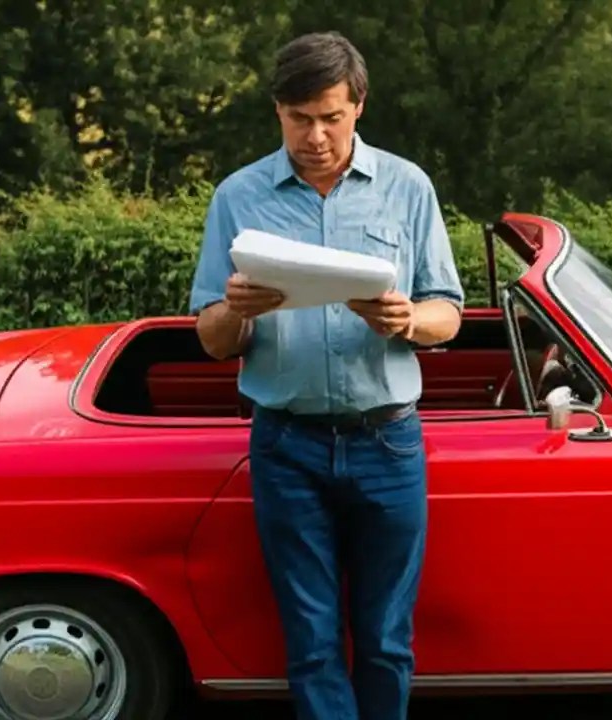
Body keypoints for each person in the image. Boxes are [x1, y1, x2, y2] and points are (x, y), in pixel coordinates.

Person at [188, 30, 464, 720]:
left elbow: (450, 316)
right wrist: (235, 309)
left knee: (384, 641)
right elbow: (212, 339)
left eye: (330, 118)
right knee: (310, 642)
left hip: (389, 443)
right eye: (299, 118)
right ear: (278, 111)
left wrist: (406, 320)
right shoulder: (238, 195)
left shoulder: (408, 186)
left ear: (359, 106)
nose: (315, 135)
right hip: (287, 445)